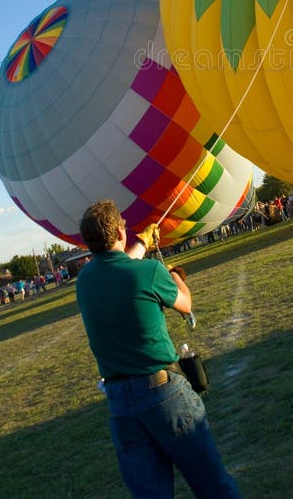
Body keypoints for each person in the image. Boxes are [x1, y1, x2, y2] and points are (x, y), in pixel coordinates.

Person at [76, 199, 240, 499]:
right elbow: (185, 303)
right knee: (213, 485)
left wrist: (142, 243)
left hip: (120, 405)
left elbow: (119, 266)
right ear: (119, 232)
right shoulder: (151, 272)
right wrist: (176, 276)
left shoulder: (85, 280)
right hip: (165, 396)